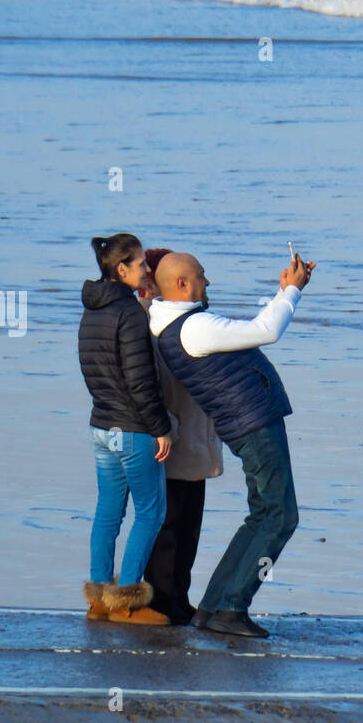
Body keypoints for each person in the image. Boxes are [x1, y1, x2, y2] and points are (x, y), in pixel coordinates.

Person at [147, 250, 315, 638]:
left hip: (246, 422)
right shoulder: (194, 326)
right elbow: (266, 331)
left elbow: (253, 328)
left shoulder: (176, 321)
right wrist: (292, 291)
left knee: (264, 513)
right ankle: (230, 606)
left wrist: (283, 292)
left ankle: (215, 606)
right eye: (202, 277)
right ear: (183, 285)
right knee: (280, 515)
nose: (209, 283)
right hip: (253, 423)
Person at [79, 233, 173, 624]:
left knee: (108, 511)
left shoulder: (93, 311)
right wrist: (160, 427)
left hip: (101, 426)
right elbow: (139, 381)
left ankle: (100, 598)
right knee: (151, 511)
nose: (147, 270)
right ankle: (128, 602)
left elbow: (96, 371)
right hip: (133, 430)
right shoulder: (130, 315)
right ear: (122, 269)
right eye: (139, 264)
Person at [135, 249, 224, 625]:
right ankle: (161, 599)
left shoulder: (189, 319)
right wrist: (164, 427)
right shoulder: (149, 323)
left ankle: (178, 597)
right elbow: (147, 384)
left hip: (193, 437)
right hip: (169, 439)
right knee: (169, 525)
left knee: (188, 525)